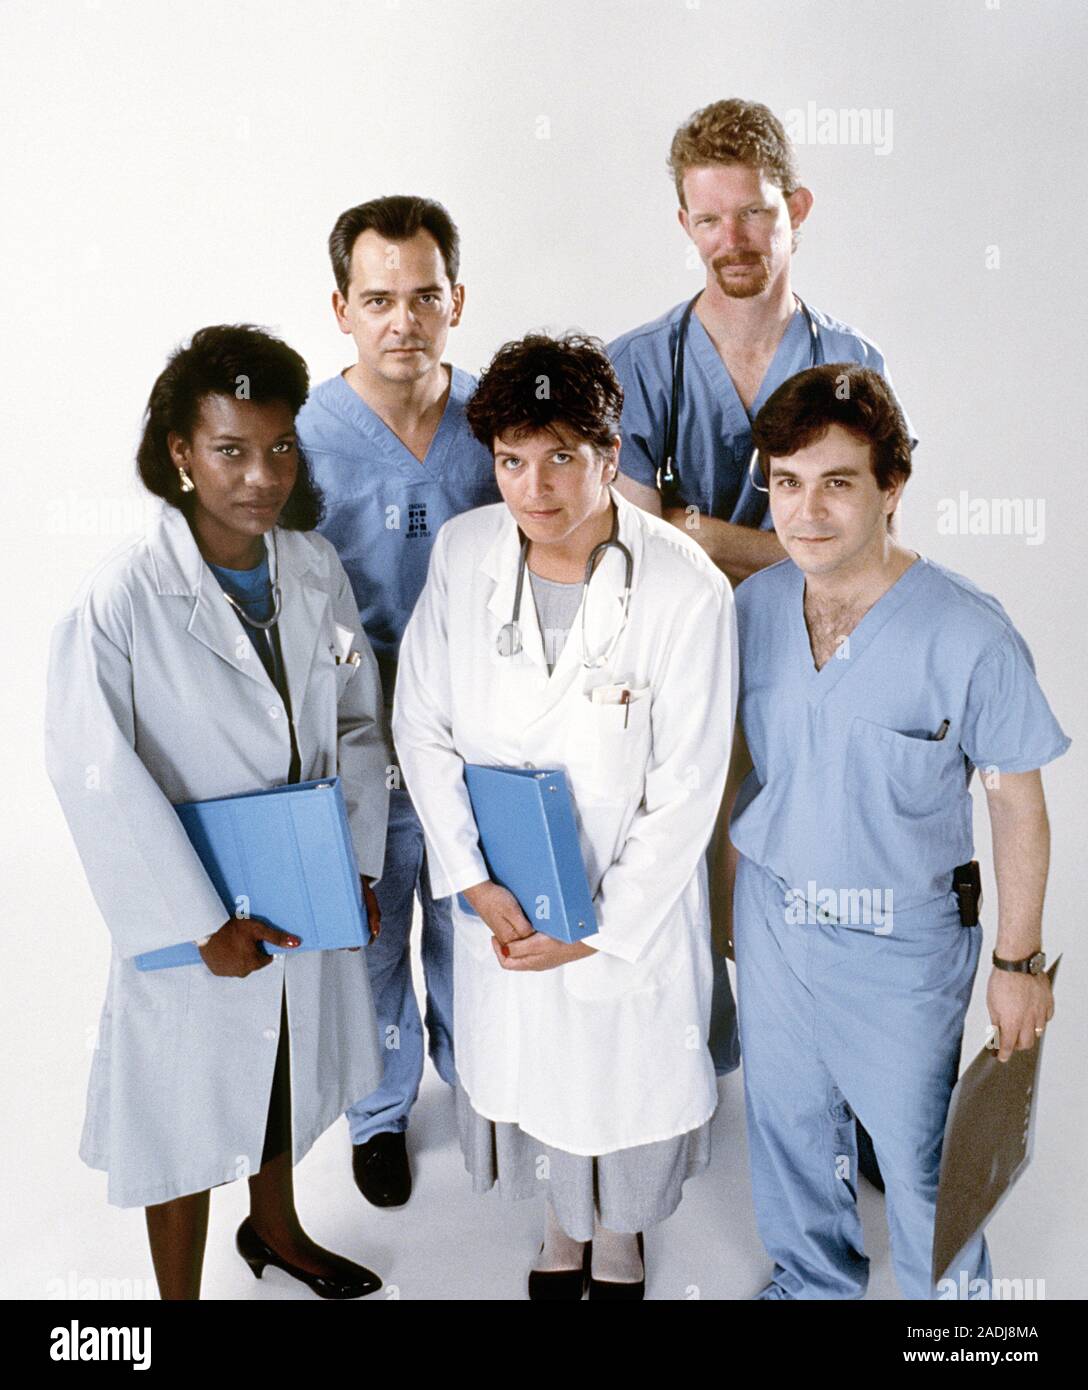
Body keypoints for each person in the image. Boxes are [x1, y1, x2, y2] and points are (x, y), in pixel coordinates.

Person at [45, 325, 391, 1300]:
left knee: (276, 1068)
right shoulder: (123, 598)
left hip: (299, 879)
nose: (260, 475)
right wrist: (200, 924)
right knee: (183, 1110)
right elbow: (93, 773)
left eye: (279, 446)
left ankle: (276, 1230)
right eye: (230, 450)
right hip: (197, 902)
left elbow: (358, 717)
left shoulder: (312, 566)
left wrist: (353, 864)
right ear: (179, 456)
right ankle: (176, 1301)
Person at [392, 334, 736, 1300]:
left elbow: (687, 787)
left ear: (609, 456)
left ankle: (620, 1237)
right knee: (537, 1075)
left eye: (561, 458)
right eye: (511, 459)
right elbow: (420, 724)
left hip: (622, 912)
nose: (534, 487)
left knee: (616, 1082)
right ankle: (558, 1232)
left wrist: (598, 929)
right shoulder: (464, 555)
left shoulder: (684, 588)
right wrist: (469, 876)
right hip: (500, 897)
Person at [727, 364, 1069, 1299]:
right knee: (789, 1128)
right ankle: (812, 1283)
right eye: (786, 483)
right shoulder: (754, 610)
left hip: (902, 937)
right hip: (773, 913)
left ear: (892, 487)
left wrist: (1017, 964)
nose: (806, 513)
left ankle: (951, 1321)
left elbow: (1015, 802)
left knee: (924, 1158)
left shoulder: (968, 635)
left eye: (837, 483)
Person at [608, 95, 915, 1111]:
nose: (729, 241)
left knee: (832, 871)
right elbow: (642, 546)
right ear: (682, 225)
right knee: (691, 869)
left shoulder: (850, 361)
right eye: (707, 219)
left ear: (797, 208)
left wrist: (707, 533)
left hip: (819, 659)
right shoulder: (640, 365)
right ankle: (698, 1066)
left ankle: (848, 1089)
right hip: (682, 663)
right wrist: (789, 543)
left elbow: (861, 551)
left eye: (751, 214)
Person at [296, 195, 501, 1208]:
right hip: (358, 747)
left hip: (477, 738)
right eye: (377, 298)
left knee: (472, 923)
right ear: (340, 307)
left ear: (455, 298)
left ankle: (483, 1092)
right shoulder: (301, 440)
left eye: (424, 296)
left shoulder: (496, 429)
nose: (402, 321)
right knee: (371, 938)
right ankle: (378, 1113)